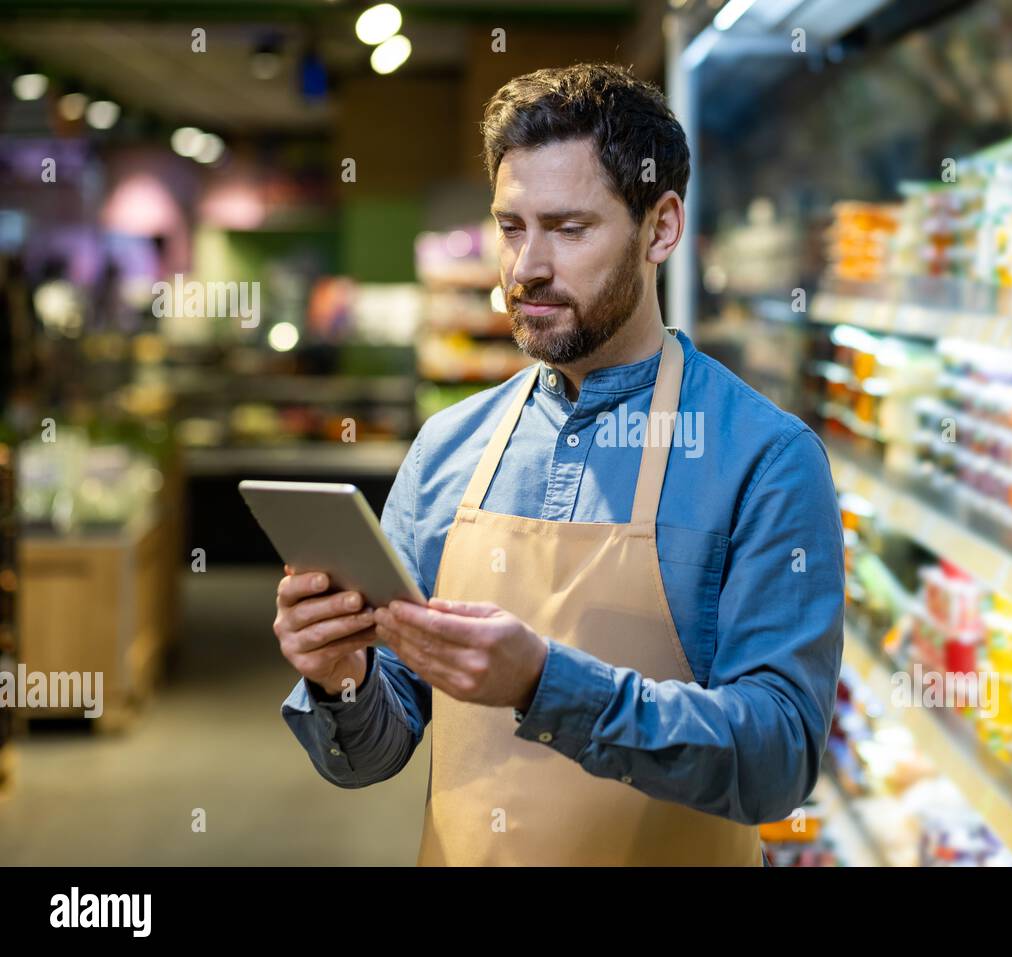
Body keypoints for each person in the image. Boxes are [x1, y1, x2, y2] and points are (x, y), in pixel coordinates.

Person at [276, 63, 844, 866]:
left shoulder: (765, 460)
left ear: (661, 229)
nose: (525, 268)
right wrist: (343, 675)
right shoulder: (448, 448)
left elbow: (777, 760)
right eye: (511, 227)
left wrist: (545, 684)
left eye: (569, 228)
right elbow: (373, 752)